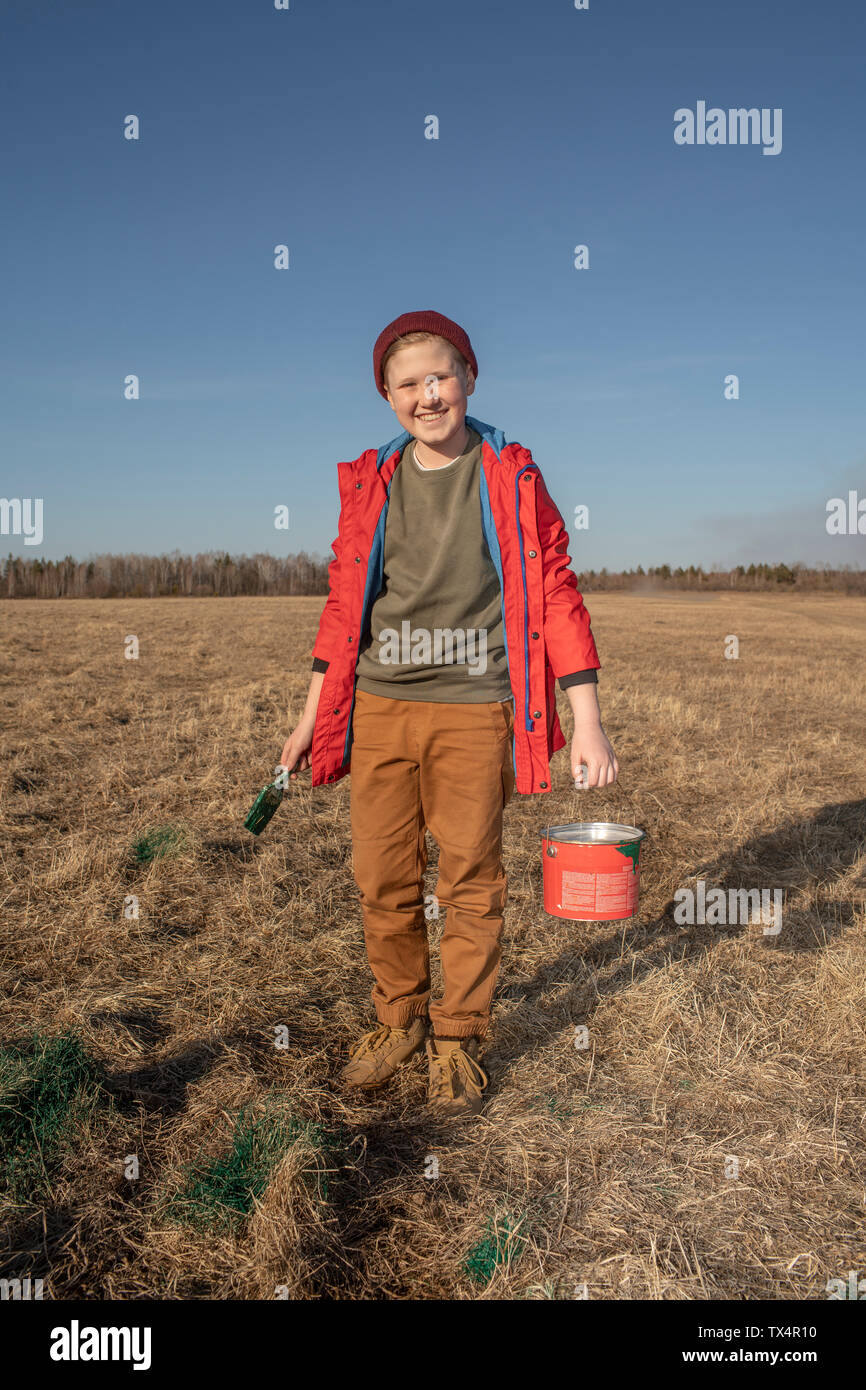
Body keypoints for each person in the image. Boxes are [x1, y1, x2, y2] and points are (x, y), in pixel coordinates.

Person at [279, 310, 618, 1117]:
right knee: (381, 878)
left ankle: (456, 1038)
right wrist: (308, 717)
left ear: (468, 376)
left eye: (440, 376)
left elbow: (559, 595)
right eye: (407, 384)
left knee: (471, 879)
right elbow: (341, 608)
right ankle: (397, 1022)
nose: (427, 395)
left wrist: (588, 720)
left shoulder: (511, 474)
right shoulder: (372, 482)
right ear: (387, 397)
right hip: (380, 706)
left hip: (475, 707)